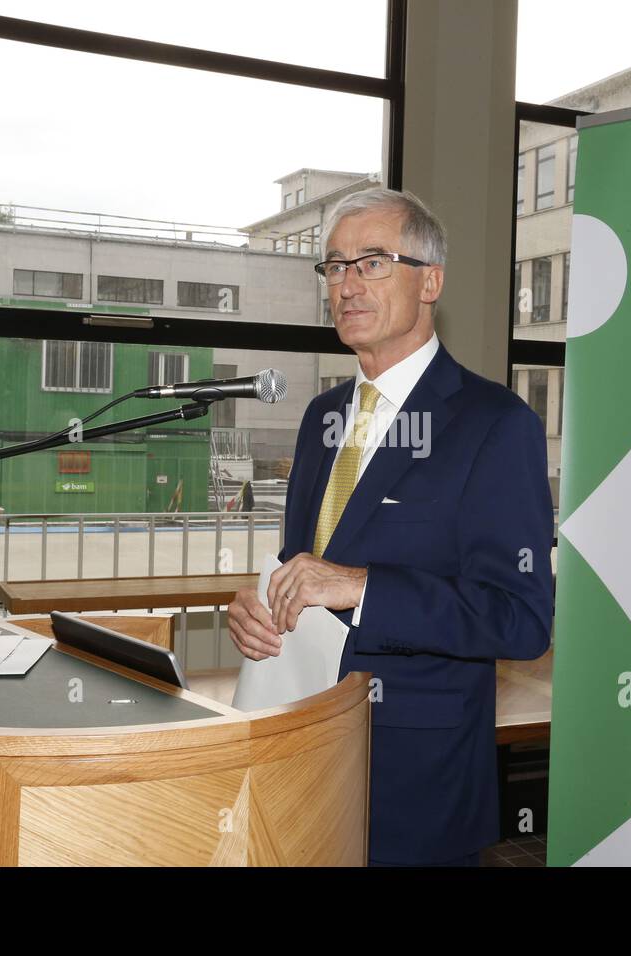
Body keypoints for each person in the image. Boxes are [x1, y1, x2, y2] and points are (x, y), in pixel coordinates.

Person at [228, 188, 554, 866]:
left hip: (417, 782)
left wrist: (362, 588)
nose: (347, 284)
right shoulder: (322, 420)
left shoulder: (494, 425)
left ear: (429, 280)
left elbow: (520, 619)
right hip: (306, 750)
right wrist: (262, 610)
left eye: (372, 262)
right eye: (335, 266)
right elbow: (305, 569)